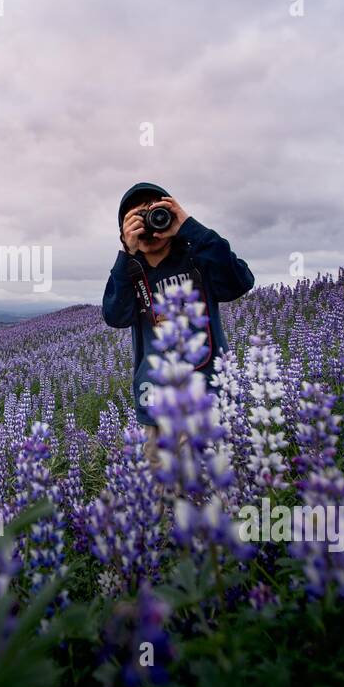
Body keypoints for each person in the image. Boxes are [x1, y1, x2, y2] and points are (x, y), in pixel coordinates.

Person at [101, 182, 255, 473]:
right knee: (164, 500)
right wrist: (125, 254)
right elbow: (115, 316)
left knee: (214, 496)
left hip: (210, 398)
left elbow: (240, 281)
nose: (150, 224)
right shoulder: (131, 272)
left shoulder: (197, 258)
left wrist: (190, 228)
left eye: (157, 212)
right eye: (138, 217)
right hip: (156, 403)